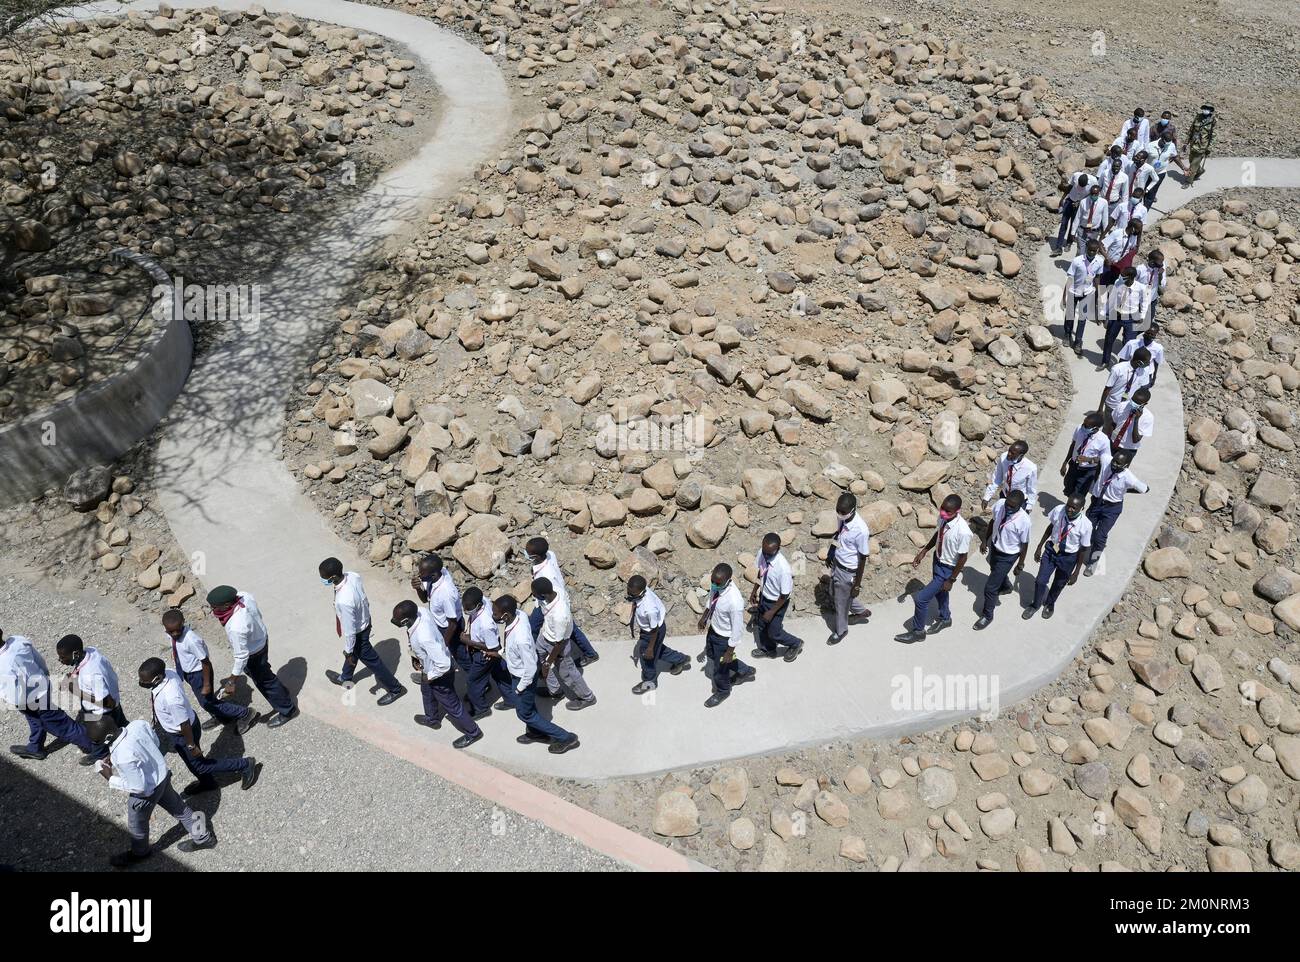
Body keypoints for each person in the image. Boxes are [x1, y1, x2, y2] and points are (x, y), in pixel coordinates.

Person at [88, 716, 216, 868]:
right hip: (162, 776)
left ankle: (140, 853)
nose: (95, 745)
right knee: (179, 808)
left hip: (146, 794)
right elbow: (154, 742)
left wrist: (110, 777)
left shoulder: (122, 756)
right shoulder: (137, 725)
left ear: (108, 737)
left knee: (137, 825)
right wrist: (115, 754)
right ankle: (204, 837)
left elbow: (138, 787)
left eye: (97, 742)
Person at [139, 657, 258, 796]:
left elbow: (184, 724)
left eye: (144, 681)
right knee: (193, 763)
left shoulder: (171, 698)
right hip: (185, 725)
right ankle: (207, 783)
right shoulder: (169, 673)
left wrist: (191, 745)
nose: (141, 683)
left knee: (199, 764)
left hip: (184, 734)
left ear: (158, 678)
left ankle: (244, 764)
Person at [492, 595, 579, 753]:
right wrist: (502, 652)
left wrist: (520, 688)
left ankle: (566, 738)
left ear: (506, 615)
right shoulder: (520, 615)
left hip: (522, 679)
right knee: (529, 706)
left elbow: (531, 669)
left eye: (496, 614)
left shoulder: (521, 639)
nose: (493, 616)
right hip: (518, 675)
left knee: (525, 714)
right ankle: (536, 733)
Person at [2, 629, 102, 763]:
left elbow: (10, 692)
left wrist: (9, 700)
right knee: (34, 719)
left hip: (29, 700)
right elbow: (39, 660)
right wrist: (45, 674)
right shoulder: (19, 641)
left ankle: (99, 749)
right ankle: (35, 747)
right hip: (42, 685)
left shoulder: (3, 665)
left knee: (64, 726)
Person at [392, 600, 482, 749]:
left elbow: (443, 664)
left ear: (406, 620)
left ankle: (473, 732)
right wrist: (416, 656)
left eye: (396, 620)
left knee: (452, 705)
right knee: (426, 692)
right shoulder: (421, 612)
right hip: (428, 668)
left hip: (439, 673)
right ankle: (432, 719)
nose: (394, 621)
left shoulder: (424, 637)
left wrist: (430, 676)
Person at [206, 585, 297, 727]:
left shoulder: (236, 626)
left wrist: (231, 681)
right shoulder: (244, 596)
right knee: (265, 673)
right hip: (261, 638)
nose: (213, 611)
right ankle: (281, 692)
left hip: (253, 652)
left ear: (226, 605)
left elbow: (241, 656)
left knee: (264, 681)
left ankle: (288, 710)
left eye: (214, 607)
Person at [320, 558, 405, 706]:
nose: (323, 580)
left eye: (324, 578)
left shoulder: (344, 600)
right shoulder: (352, 575)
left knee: (372, 661)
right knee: (355, 654)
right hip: (366, 620)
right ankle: (345, 677)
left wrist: (348, 650)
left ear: (333, 577)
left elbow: (350, 631)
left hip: (358, 631)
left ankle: (395, 688)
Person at [412, 554, 488, 718]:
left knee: (463, 659)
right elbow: (425, 599)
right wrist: (418, 587)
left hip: (449, 630)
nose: (419, 576)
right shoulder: (435, 575)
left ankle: (480, 685)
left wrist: (443, 644)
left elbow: (453, 622)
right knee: (457, 659)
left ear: (433, 575)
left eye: (422, 574)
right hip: (439, 624)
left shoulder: (446, 592)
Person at [162, 608, 256, 733]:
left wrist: (206, 684)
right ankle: (222, 716)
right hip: (188, 673)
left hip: (199, 674)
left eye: (177, 630)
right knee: (206, 701)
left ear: (183, 622)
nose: (174, 634)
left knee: (207, 703)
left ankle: (245, 713)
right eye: (170, 631)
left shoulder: (190, 640)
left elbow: (206, 662)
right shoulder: (171, 634)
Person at [895, 494, 972, 642]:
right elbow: (939, 534)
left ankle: (918, 632)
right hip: (938, 560)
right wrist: (924, 551)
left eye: (948, 511)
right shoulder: (943, 518)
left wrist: (951, 579)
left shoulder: (963, 531)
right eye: (942, 508)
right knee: (941, 593)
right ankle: (945, 618)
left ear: (957, 511)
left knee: (921, 599)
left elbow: (963, 558)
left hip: (948, 568)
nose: (943, 512)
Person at [525, 537, 598, 665]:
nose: (525, 553)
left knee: (533, 628)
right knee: (570, 628)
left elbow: (549, 591)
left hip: (550, 603)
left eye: (528, 552)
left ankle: (533, 660)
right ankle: (590, 653)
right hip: (555, 599)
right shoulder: (549, 554)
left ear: (535, 556)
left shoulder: (546, 574)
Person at [1023, 495, 1093, 620]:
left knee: (1059, 583)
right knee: (1040, 581)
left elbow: (1083, 549)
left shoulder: (1086, 525)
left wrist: (1076, 572)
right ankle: (1035, 605)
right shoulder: (1059, 510)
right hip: (1051, 550)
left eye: (1074, 508)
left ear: (1082, 508)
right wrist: (1039, 546)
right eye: (1068, 505)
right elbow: (1050, 527)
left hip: (1068, 557)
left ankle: (1050, 603)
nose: (1070, 509)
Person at [532, 577, 596, 711]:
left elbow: (559, 644)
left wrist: (549, 663)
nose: (533, 597)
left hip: (557, 644)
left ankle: (587, 697)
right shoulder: (554, 593)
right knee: (540, 659)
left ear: (543, 595)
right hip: (545, 636)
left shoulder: (559, 614)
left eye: (534, 594)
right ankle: (555, 691)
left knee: (568, 673)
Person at [1084, 450, 1149, 575]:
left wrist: (1126, 490)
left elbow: (1145, 489)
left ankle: (1093, 561)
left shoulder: (1128, 477)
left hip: (1111, 508)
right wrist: (1095, 481)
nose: (1114, 464)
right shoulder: (1106, 460)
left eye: (1118, 464)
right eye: (1114, 461)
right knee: (1087, 528)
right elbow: (1100, 459)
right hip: (1096, 502)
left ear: (1125, 466)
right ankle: (1079, 550)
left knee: (1100, 536)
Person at [699, 563, 755, 707]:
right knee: (713, 655)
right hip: (714, 630)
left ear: (728, 580)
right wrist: (704, 617)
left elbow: (737, 630)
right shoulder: (717, 586)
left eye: (717, 583)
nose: (713, 585)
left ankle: (723, 690)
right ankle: (745, 670)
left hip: (724, 639)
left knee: (720, 668)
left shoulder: (734, 601)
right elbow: (711, 600)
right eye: (712, 581)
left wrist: (730, 651)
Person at [974, 490, 1031, 630]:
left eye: (1013, 506)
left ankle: (987, 615)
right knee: (993, 568)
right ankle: (1006, 586)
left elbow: (1024, 544)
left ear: (1021, 505)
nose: (1008, 508)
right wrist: (985, 540)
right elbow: (993, 521)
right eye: (1007, 504)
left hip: (1008, 555)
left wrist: (1020, 563)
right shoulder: (1000, 504)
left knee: (990, 588)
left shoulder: (1024, 521)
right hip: (995, 546)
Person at [627, 575, 689, 695]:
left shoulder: (649, 608)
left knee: (647, 658)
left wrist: (650, 648)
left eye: (633, 594)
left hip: (652, 633)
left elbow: (654, 629)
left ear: (641, 592)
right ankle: (681, 659)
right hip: (652, 629)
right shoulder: (642, 591)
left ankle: (650, 682)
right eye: (629, 591)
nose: (630, 595)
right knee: (659, 650)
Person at [459, 586, 517, 710]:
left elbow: (493, 648)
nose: (465, 610)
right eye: (464, 606)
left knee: (473, 681)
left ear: (479, 605)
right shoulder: (482, 600)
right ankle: (511, 699)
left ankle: (481, 708)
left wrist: (468, 641)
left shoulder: (486, 624)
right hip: (485, 645)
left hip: (484, 654)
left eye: (468, 608)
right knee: (499, 673)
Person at [750, 532, 803, 661]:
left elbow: (784, 595)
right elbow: (761, 571)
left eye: (770, 553)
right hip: (764, 595)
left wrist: (772, 611)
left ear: (778, 549)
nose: (766, 556)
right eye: (765, 552)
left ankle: (795, 643)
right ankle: (768, 649)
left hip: (777, 602)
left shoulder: (783, 569)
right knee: (762, 625)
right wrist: (754, 590)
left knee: (774, 632)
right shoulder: (762, 553)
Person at [826, 493, 870, 644]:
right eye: (837, 510)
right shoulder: (842, 517)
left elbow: (863, 557)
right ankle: (860, 611)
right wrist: (831, 552)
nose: (839, 514)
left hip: (848, 571)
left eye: (843, 512)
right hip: (837, 563)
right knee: (833, 592)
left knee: (840, 603)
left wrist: (857, 584)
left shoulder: (861, 530)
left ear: (853, 510)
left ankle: (841, 630)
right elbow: (839, 535)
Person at [55, 634, 127, 728]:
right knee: (124, 728)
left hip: (102, 715)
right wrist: (74, 675)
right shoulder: (90, 651)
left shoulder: (92, 674)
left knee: (99, 738)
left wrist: (77, 691)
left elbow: (109, 704)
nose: (60, 660)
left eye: (63, 657)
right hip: (115, 708)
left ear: (76, 654)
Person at [1061, 238, 1104, 355]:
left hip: (1087, 292)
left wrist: (1098, 297)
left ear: (1097, 251)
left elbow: (1097, 278)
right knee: (1070, 315)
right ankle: (1067, 334)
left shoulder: (1099, 262)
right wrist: (1063, 296)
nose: (1091, 253)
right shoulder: (1077, 261)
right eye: (1090, 250)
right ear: (1086, 249)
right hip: (1074, 291)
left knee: (1082, 318)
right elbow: (1070, 279)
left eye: (1094, 251)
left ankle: (1078, 341)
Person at [1097, 348, 1154, 433]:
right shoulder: (1118, 369)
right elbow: (1107, 389)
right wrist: (1100, 408)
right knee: (1107, 428)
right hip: (1113, 405)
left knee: (1119, 429)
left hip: (1127, 406)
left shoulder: (1144, 371)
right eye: (1147, 362)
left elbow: (1142, 389)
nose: (1149, 364)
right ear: (1139, 362)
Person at [1102, 266, 1147, 367]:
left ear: (1131, 277)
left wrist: (1142, 316)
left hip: (1131, 318)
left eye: (1123, 276)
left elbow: (1144, 302)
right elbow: (1111, 299)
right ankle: (1105, 361)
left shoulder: (1141, 288)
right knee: (1109, 339)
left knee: (1129, 344)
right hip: (1117, 316)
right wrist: (1105, 314)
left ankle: (1121, 365)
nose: (1120, 277)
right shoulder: (1118, 282)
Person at [1098, 219, 1141, 325]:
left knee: (1113, 292)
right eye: (1138, 230)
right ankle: (1099, 314)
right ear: (1132, 228)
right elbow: (1101, 245)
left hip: (1120, 269)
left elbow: (1134, 248)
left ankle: (1106, 315)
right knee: (1103, 290)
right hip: (1109, 266)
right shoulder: (1117, 233)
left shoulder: (1133, 238)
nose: (1138, 233)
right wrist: (1106, 257)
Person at [1060, 410, 1111, 498]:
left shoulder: (1103, 440)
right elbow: (1073, 445)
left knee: (1078, 494)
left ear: (1095, 428)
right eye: (1084, 423)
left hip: (1088, 471)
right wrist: (1065, 462)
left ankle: (1075, 508)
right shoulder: (1079, 429)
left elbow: (1105, 460)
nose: (1083, 426)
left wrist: (1088, 460)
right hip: (1073, 466)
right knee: (1068, 488)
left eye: (1086, 426)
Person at [982, 440, 1038, 513]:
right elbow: (996, 478)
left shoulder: (1030, 468)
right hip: (1004, 495)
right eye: (1009, 450)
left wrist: (1029, 507)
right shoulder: (1003, 458)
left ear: (1021, 455)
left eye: (1012, 453)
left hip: (1018, 502)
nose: (1008, 454)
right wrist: (987, 497)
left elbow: (1031, 489)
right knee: (999, 516)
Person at [1052, 171, 1096, 256]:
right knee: (1063, 224)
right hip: (1070, 200)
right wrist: (1063, 198)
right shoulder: (1075, 176)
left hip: (1080, 205)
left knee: (1073, 225)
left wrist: (1080, 202)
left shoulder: (1093, 181)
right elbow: (1069, 187)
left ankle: (1069, 242)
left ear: (1087, 184)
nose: (1080, 188)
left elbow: (1093, 194)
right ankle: (1058, 247)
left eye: (1082, 187)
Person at [1144, 128, 1186, 208]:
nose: (1167, 146)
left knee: (1152, 193)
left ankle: (1145, 210)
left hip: (1160, 173)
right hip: (1148, 173)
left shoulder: (1171, 145)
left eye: (1169, 144)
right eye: (1166, 144)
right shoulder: (1151, 145)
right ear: (1161, 139)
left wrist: (1183, 168)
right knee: (1144, 190)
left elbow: (1175, 157)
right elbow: (1143, 157)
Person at [1110, 388, 1155, 462]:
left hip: (1128, 450)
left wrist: (1136, 420)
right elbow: (1113, 423)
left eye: (1137, 402)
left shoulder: (1148, 417)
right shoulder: (1122, 406)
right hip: (1113, 444)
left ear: (1144, 404)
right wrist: (1110, 439)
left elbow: (1135, 440)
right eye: (1133, 400)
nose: (1133, 403)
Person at [1074, 181, 1109, 255]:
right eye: (1092, 193)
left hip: (1094, 231)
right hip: (1082, 230)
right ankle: (1078, 265)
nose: (1093, 195)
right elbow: (1078, 217)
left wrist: (1105, 233)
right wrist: (1073, 232)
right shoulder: (1083, 202)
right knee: (1080, 251)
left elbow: (1105, 219)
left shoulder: (1103, 203)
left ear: (1099, 193)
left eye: (1095, 194)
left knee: (1090, 251)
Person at [1134, 251, 1166, 328]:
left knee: (1147, 324)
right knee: (1135, 322)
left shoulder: (1160, 270)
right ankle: (1130, 336)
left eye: (1162, 262)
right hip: (1139, 300)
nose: (1161, 264)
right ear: (1152, 261)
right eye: (1160, 262)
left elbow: (1162, 284)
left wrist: (1160, 274)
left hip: (1151, 300)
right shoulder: (1140, 269)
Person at [1098, 156, 1130, 223]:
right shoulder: (1105, 173)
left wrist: (1124, 208)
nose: (1115, 168)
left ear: (1120, 167)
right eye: (1114, 166)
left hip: (1113, 204)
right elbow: (1099, 186)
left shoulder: (1124, 177)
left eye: (1117, 167)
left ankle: (1104, 233)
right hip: (1102, 201)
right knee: (1099, 219)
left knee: (1108, 222)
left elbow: (1125, 193)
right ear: (1111, 165)